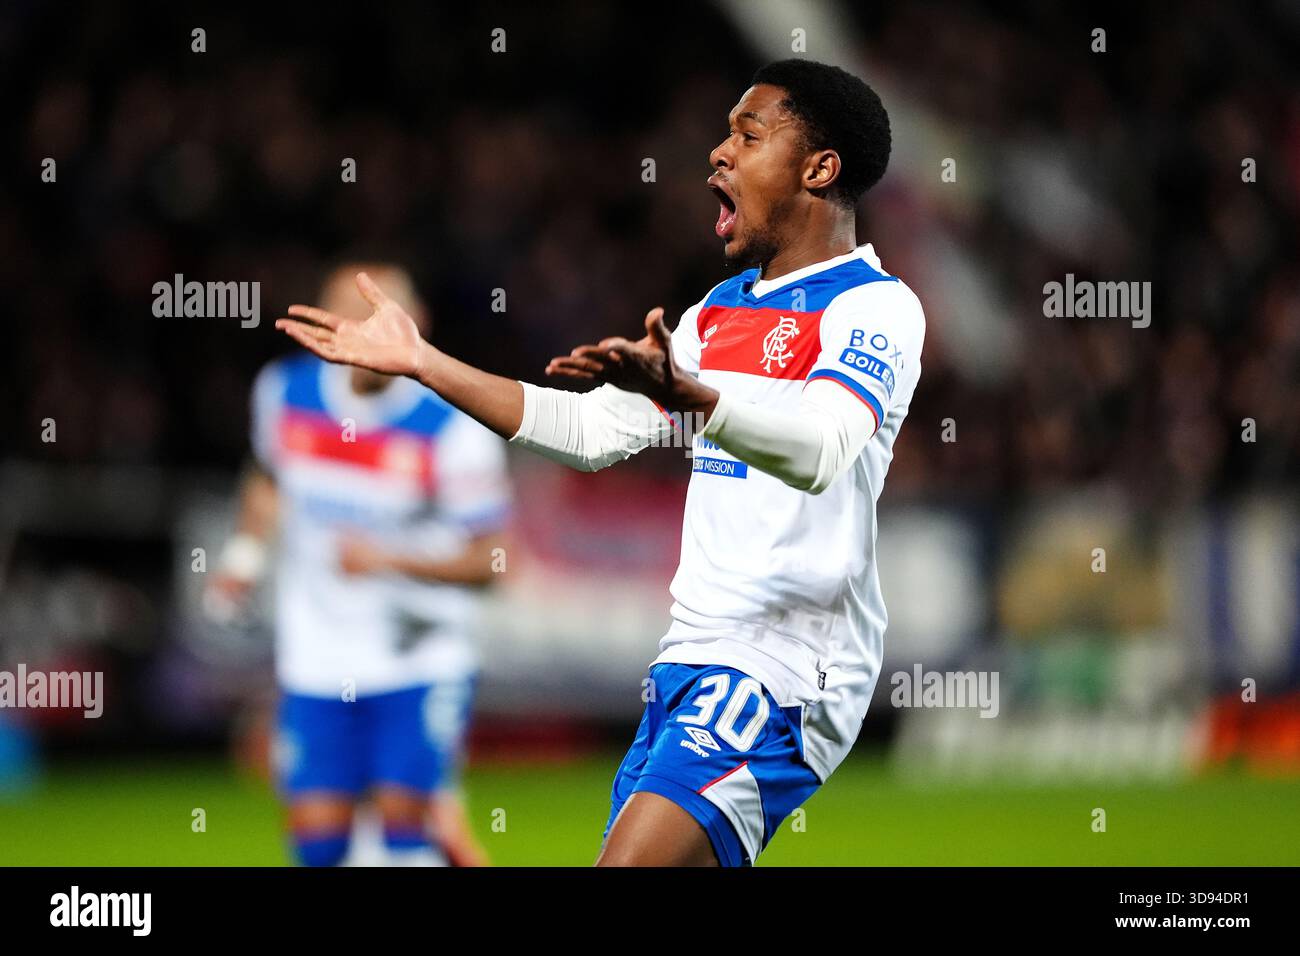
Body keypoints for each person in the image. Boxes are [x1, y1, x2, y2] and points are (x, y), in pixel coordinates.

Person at [277, 60, 924, 867]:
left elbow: (824, 451)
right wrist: (424, 363)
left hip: (790, 667)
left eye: (748, 135)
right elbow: (586, 432)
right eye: (724, 133)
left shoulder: (875, 307)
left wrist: (692, 400)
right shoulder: (716, 315)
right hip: (690, 659)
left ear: (819, 168)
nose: (718, 154)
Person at [212, 263, 509, 866]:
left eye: (377, 318)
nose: (362, 334)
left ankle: (437, 830)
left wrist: (388, 559)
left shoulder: (450, 427)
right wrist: (245, 556)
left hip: (417, 661)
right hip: (316, 660)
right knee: (320, 849)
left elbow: (494, 561)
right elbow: (267, 476)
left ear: (412, 325)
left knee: (403, 844)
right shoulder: (284, 391)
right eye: (348, 318)